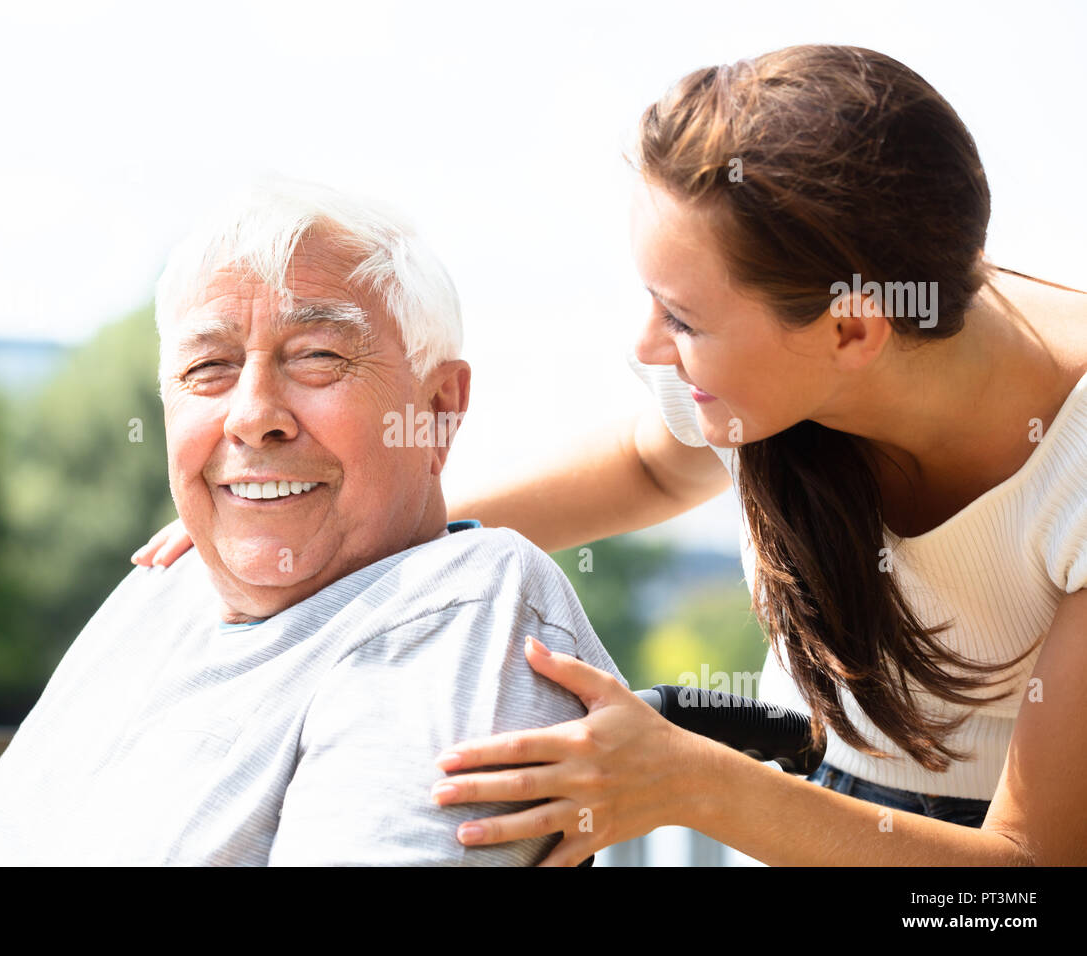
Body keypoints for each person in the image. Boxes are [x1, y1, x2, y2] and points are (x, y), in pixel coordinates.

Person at [135, 45, 1087, 866]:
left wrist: (693, 785)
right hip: (814, 803)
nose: (645, 348)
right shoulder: (780, 354)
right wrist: (324, 516)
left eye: (682, 318)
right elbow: (646, 466)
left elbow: (1019, 880)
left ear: (852, 332)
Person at [0, 176, 623, 866]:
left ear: (439, 407)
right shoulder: (164, 587)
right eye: (209, 367)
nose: (253, 415)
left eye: (318, 357)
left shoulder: (470, 607)